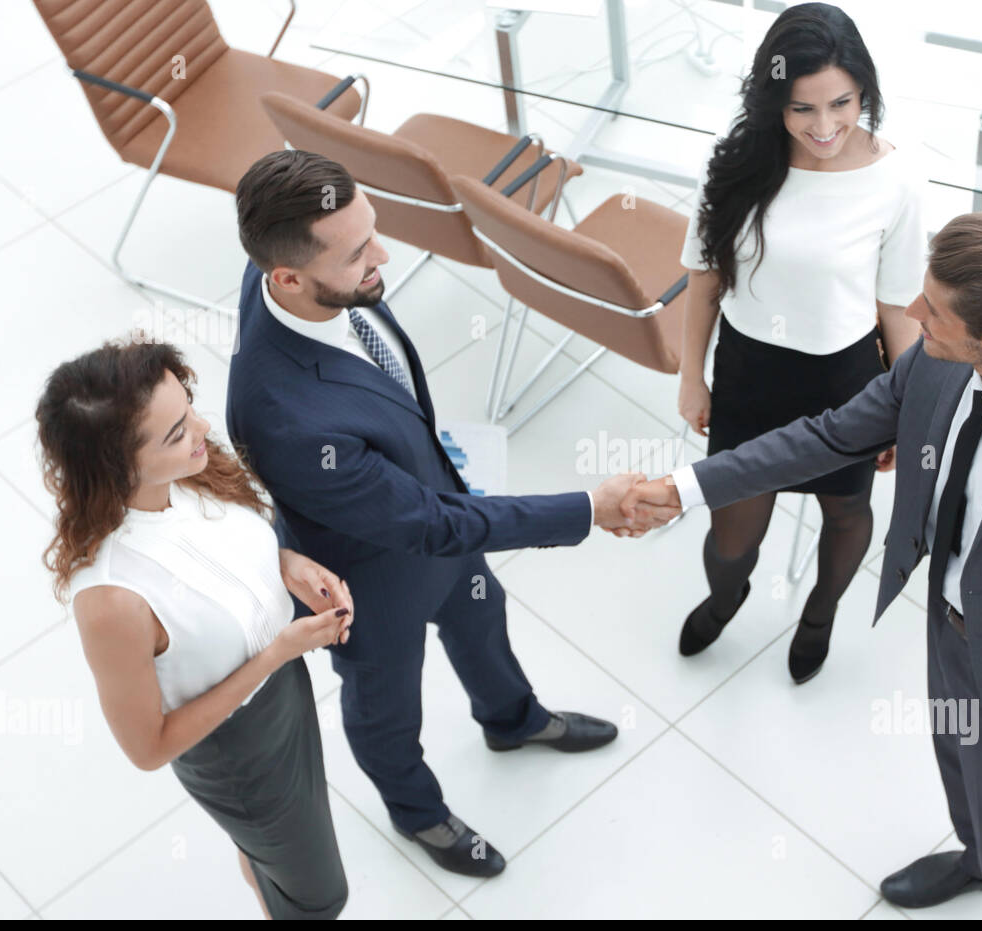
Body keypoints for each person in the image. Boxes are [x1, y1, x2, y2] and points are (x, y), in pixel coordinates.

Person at [625, 212, 982, 919]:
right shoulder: (935, 364)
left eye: (934, 311)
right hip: (949, 630)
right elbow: (826, 438)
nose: (912, 316)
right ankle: (974, 859)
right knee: (954, 758)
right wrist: (684, 489)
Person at [225, 149, 677, 879]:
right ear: (288, 277)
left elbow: (435, 512)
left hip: (435, 512)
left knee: (481, 621)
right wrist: (588, 508)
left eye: (372, 229)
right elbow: (429, 523)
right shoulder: (288, 417)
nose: (384, 255)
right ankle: (417, 812)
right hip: (372, 579)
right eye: (357, 253)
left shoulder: (289, 266)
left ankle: (513, 720)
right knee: (386, 707)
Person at [40, 339, 355, 919]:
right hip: (238, 751)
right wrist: (274, 655)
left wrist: (285, 565)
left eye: (189, 408)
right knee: (320, 896)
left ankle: (262, 880)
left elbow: (218, 554)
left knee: (274, 858)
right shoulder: (113, 599)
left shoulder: (190, 471)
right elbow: (148, 747)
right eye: (177, 431)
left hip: (284, 692)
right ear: (118, 465)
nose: (203, 427)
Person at [676, 2, 924, 684]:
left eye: (840, 104)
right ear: (773, 101)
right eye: (800, 109)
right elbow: (703, 278)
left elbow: (896, 306)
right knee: (731, 537)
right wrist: (691, 376)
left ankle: (819, 615)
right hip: (750, 373)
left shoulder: (897, 179)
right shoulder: (737, 165)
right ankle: (727, 599)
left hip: (846, 383)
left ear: (864, 91)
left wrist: (908, 405)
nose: (824, 128)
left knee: (846, 513)